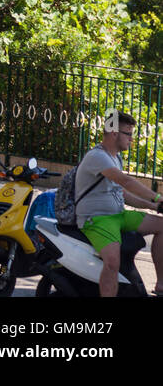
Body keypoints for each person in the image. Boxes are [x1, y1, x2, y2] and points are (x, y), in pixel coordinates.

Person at [74, 109, 163, 296]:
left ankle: (161, 285)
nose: (132, 139)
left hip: (118, 215)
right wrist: (156, 197)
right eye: (128, 134)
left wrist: (155, 207)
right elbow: (126, 182)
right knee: (113, 261)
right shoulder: (97, 156)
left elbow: (122, 193)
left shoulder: (116, 158)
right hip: (97, 219)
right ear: (114, 133)